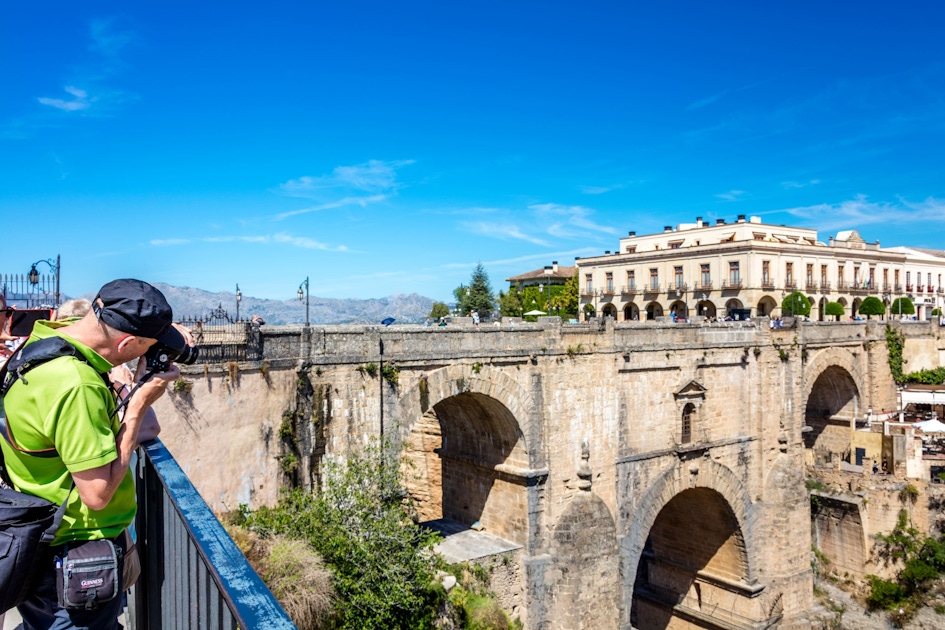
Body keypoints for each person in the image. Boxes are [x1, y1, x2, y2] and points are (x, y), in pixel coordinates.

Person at [1, 279, 187, 629]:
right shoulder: (77, 385)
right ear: (128, 342)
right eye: (145, 347)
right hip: (72, 556)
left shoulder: (43, 344)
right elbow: (97, 494)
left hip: (39, 538)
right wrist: (138, 406)